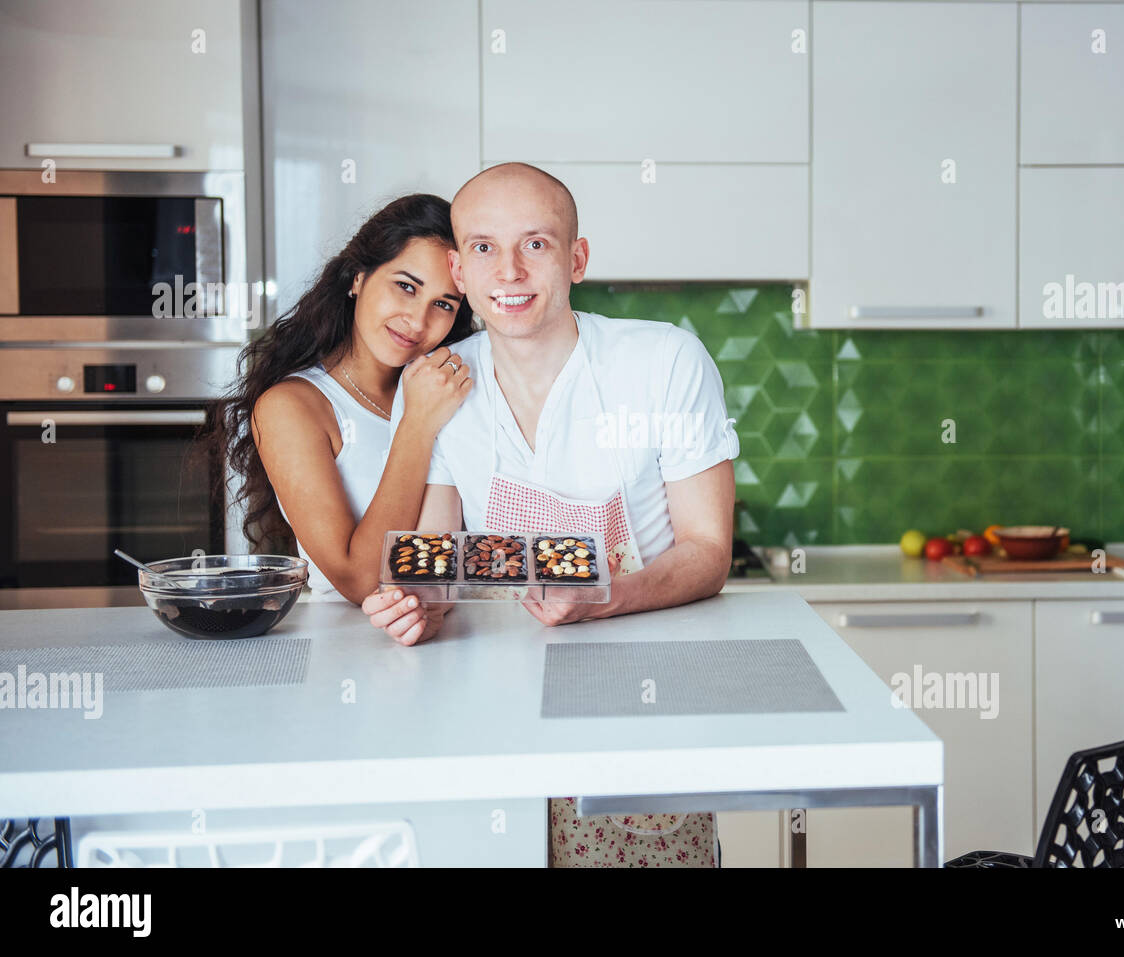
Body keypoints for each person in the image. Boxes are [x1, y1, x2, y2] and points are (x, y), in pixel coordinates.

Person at [362, 163, 739, 867]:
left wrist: (607, 596)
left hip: (644, 704)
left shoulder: (662, 362)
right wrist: (418, 605)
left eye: (535, 244)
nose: (509, 270)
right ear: (459, 269)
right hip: (492, 710)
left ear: (577, 259)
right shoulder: (440, 385)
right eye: (484, 247)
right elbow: (438, 562)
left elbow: (708, 550)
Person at [207, 194, 475, 603]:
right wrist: (417, 426)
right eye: (406, 287)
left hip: (460, 627)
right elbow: (360, 580)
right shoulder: (293, 406)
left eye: (443, 304)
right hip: (353, 636)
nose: (418, 321)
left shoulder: (449, 387)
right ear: (358, 278)